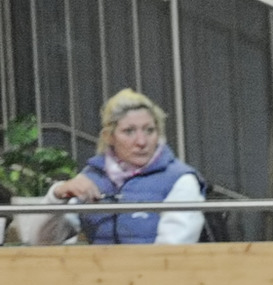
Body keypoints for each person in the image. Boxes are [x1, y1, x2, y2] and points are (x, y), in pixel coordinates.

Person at [15, 90, 207, 245]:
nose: (141, 141)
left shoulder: (180, 180)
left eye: (149, 130)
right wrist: (57, 195)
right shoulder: (92, 177)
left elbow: (172, 252)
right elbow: (40, 241)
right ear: (109, 136)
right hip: (98, 278)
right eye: (129, 131)